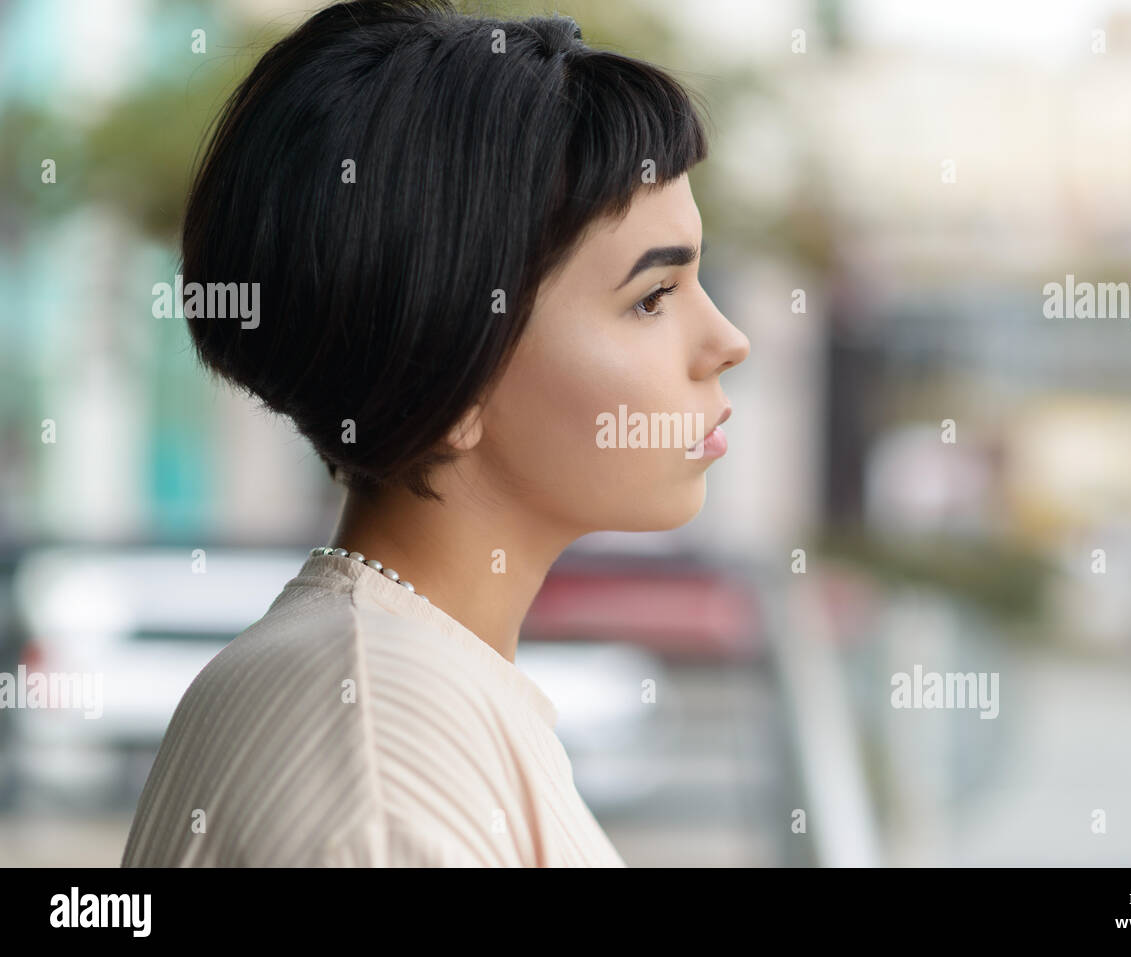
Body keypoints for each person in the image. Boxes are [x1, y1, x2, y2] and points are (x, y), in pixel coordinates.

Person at [120, 0, 749, 866]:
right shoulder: (383, 777)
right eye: (651, 297)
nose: (728, 341)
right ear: (453, 370)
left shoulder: (391, 683)